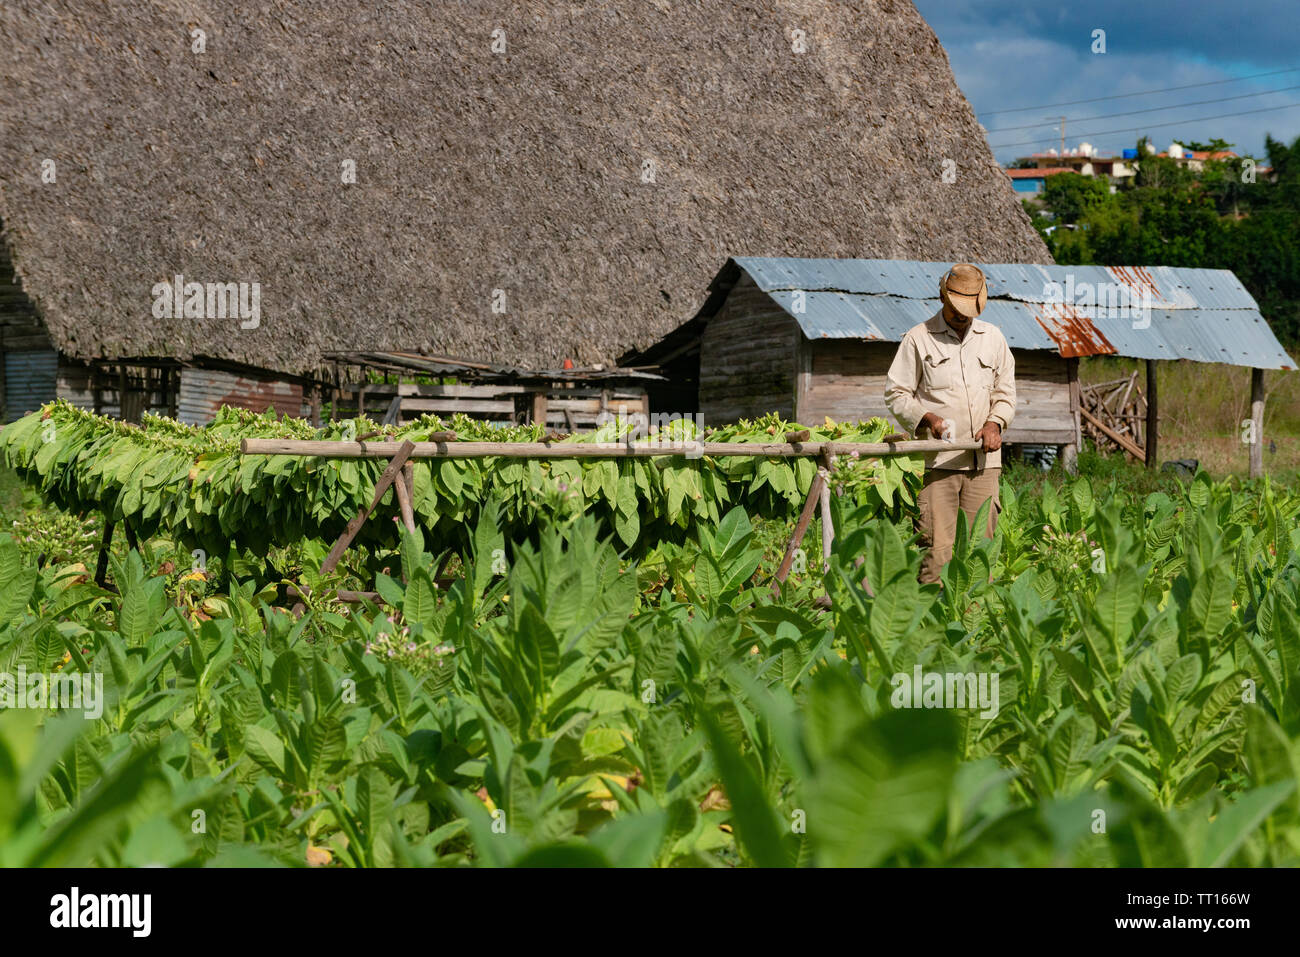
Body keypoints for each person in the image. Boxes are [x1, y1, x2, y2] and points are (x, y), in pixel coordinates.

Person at [884, 263, 1016, 584]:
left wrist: (994, 424)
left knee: (977, 554)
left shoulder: (993, 339)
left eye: (968, 309)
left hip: (983, 465)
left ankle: (972, 625)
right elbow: (896, 393)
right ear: (943, 298)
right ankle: (930, 624)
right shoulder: (919, 338)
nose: (962, 315)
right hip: (937, 465)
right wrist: (926, 418)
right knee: (936, 552)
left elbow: (1005, 392)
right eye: (956, 308)